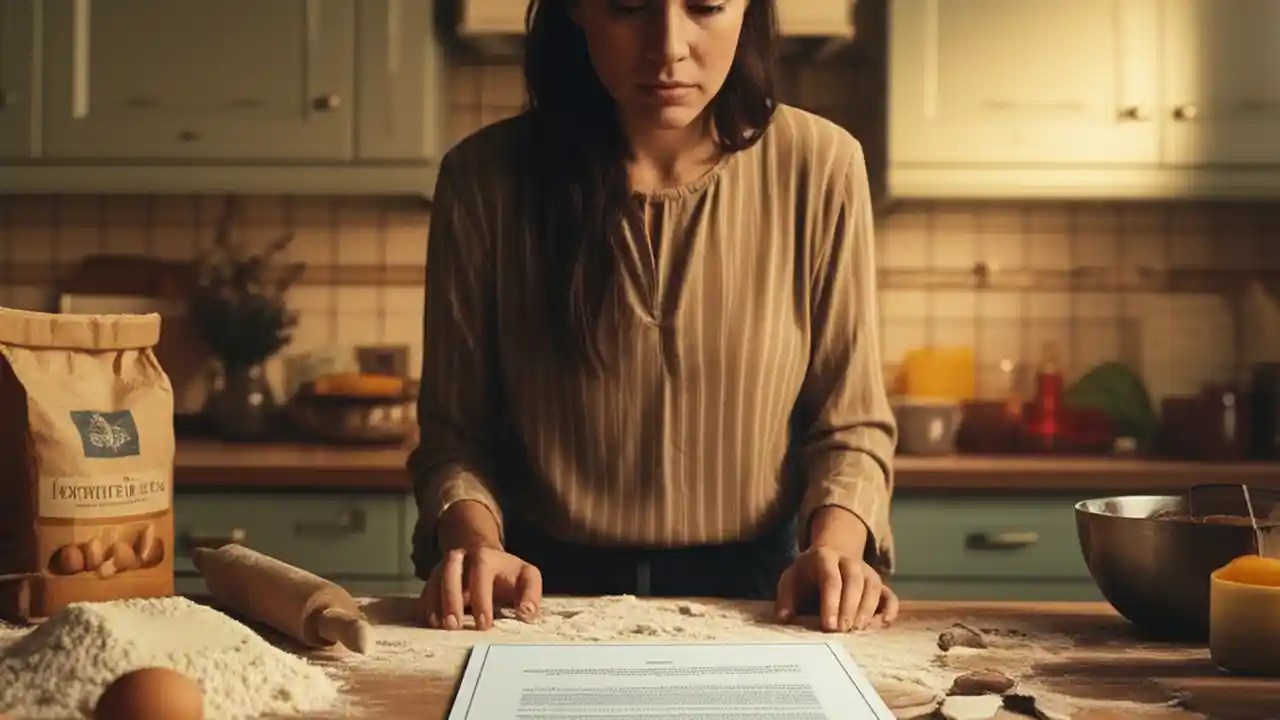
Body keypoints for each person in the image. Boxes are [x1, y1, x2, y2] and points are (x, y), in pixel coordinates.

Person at [409, 0, 898, 636]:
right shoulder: (484, 180)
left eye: (706, 6)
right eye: (627, 7)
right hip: (534, 591)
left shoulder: (822, 166)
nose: (667, 46)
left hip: (766, 595)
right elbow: (454, 438)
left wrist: (835, 549)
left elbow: (850, 424)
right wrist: (475, 541)